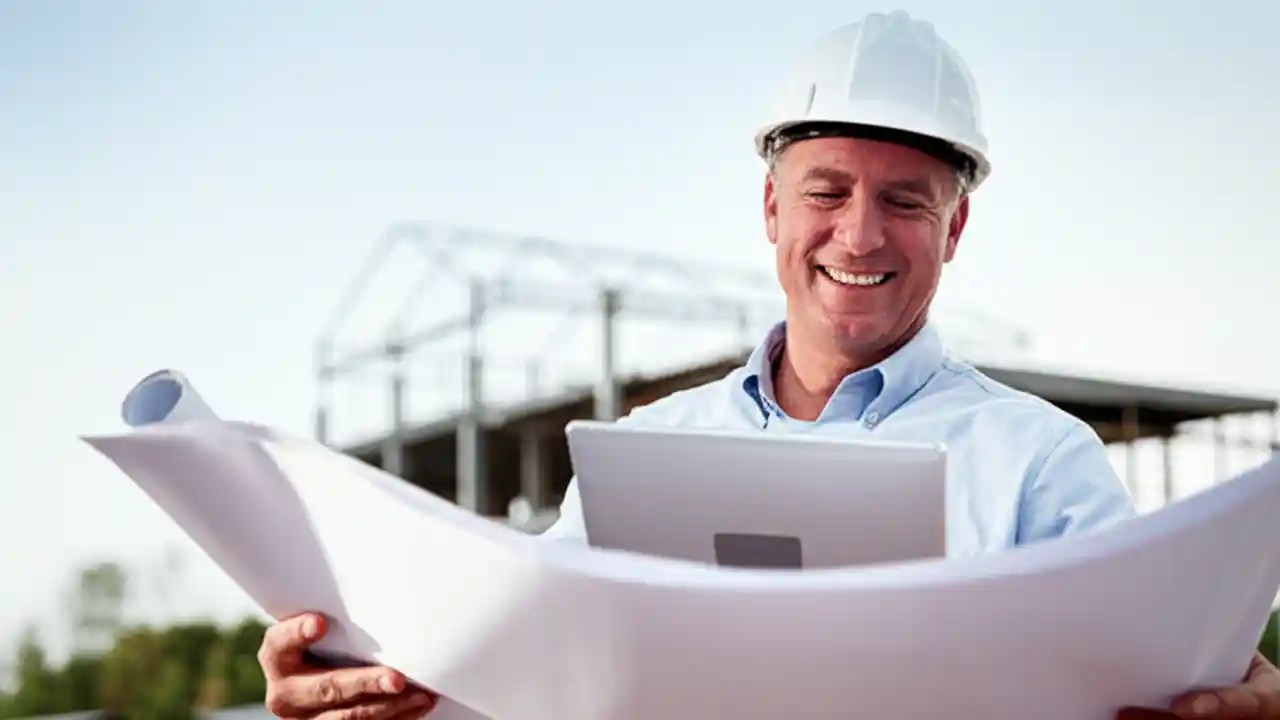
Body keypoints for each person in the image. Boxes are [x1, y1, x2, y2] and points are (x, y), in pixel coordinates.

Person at [258, 11, 1280, 720]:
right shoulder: (643, 452)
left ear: (954, 225)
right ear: (769, 209)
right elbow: (530, 691)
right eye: (825, 191)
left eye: (906, 201)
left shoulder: (1042, 465)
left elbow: (1153, 686)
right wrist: (365, 684)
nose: (859, 234)